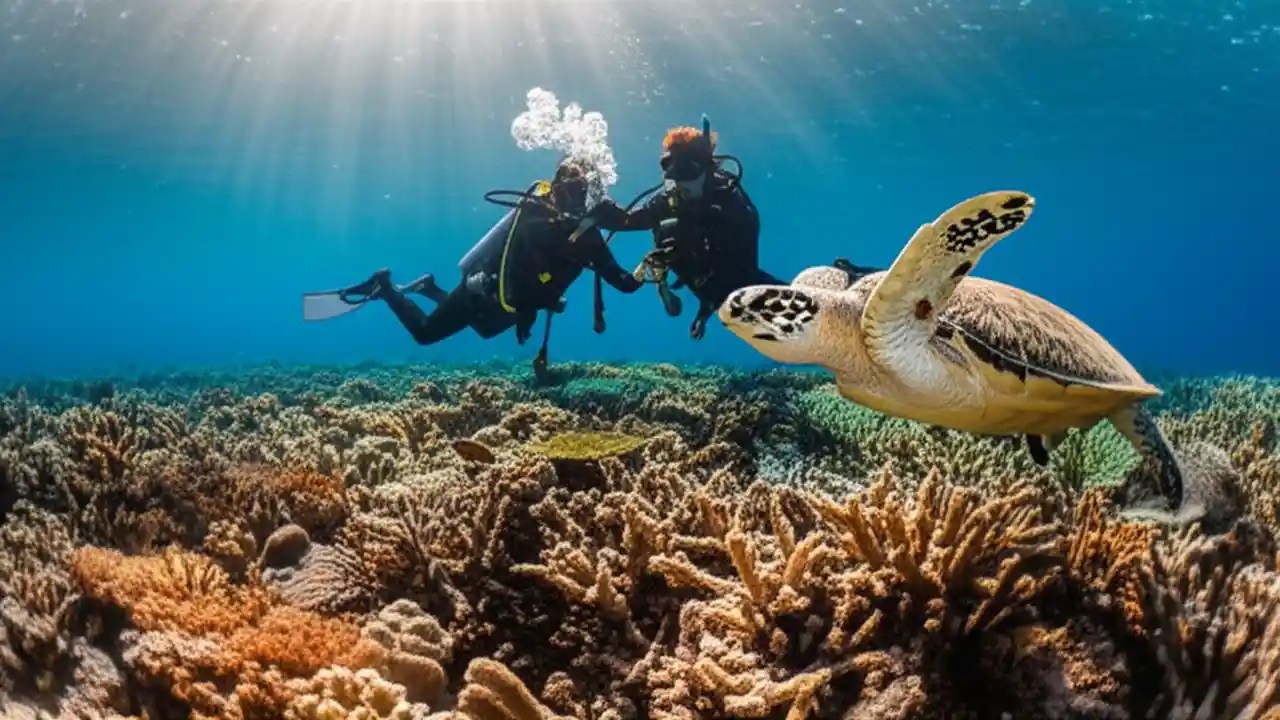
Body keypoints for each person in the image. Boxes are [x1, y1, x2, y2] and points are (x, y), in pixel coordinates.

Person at [303, 158, 643, 374]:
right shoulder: (535, 214)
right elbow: (523, 264)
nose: (573, 200)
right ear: (553, 190)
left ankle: (430, 288)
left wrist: (652, 266)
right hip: (483, 292)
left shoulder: (590, 239)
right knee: (425, 334)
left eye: (582, 193)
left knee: (484, 331)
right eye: (568, 191)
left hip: (511, 304)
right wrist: (529, 311)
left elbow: (624, 282)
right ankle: (386, 285)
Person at [584, 116, 783, 339]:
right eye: (671, 169)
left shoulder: (731, 205)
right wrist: (595, 206)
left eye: (687, 170)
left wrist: (684, 250)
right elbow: (627, 221)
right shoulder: (665, 203)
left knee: (790, 317)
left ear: (708, 169)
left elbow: (736, 269)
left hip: (742, 289)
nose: (679, 181)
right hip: (704, 290)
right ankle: (707, 305)